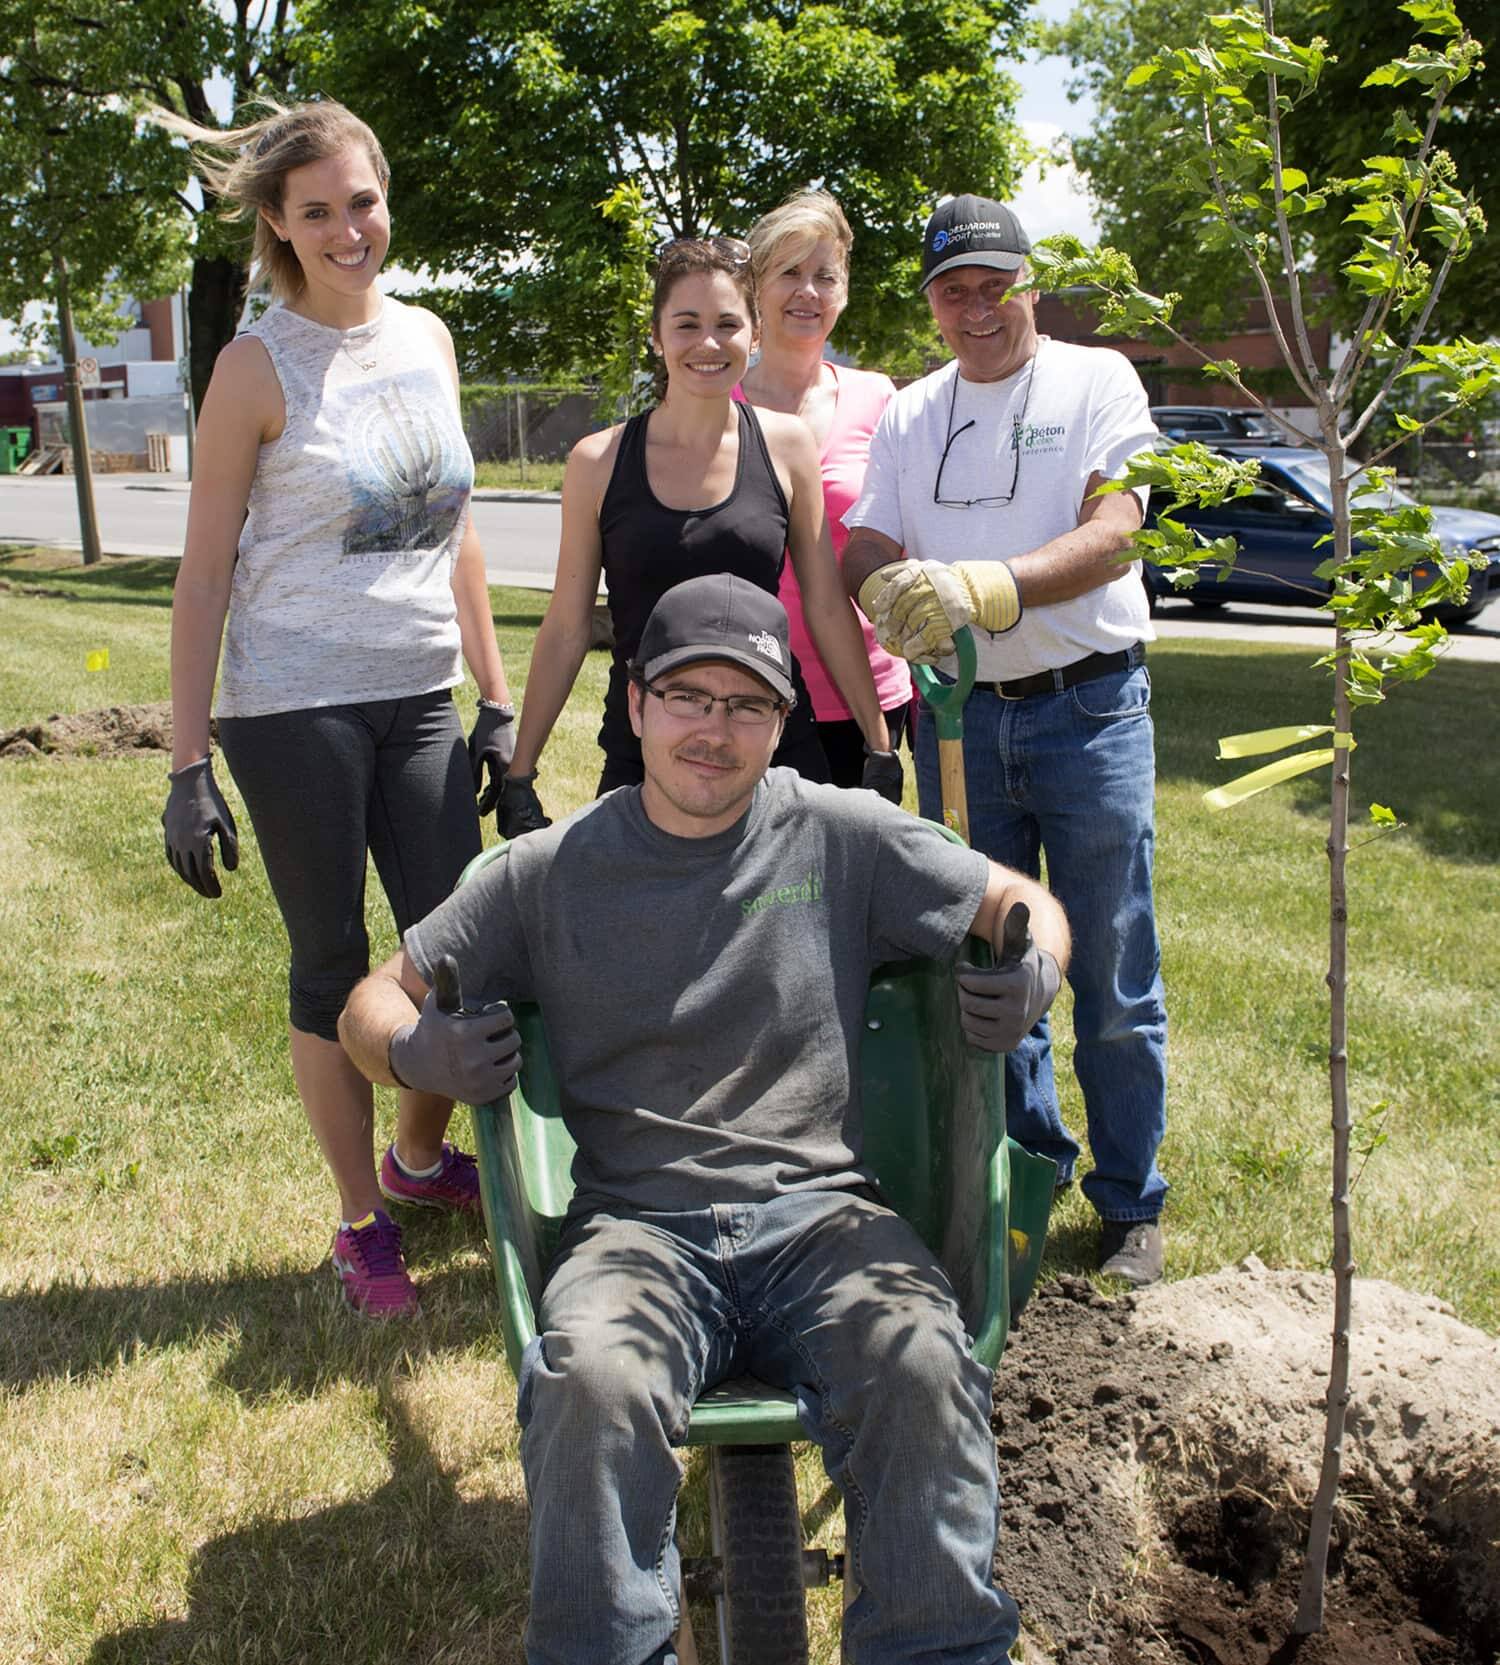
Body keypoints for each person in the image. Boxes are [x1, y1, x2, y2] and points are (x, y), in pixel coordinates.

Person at [339, 572, 1070, 1663]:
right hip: (637, 1229)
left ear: (783, 721)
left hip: (823, 1217)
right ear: (634, 704)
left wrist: (1038, 968)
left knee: (923, 1361)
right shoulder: (548, 871)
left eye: (748, 706)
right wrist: (410, 1048)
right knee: (589, 1379)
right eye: (689, 697)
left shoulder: (841, 835)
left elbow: (1019, 900)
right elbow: (368, 999)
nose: (714, 732)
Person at [159, 98, 516, 1319]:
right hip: (292, 702)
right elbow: (205, 572)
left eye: (360, 201)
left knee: (456, 951)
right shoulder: (255, 365)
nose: (347, 228)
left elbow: (457, 531)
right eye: (317, 212)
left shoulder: (428, 337)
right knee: (330, 967)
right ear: (278, 224)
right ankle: (362, 1220)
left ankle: (422, 1163)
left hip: (419, 692)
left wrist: (498, 698)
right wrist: (185, 760)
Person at [841, 194, 1169, 1287]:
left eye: (995, 285)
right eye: (952, 289)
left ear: (1031, 284)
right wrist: (886, 584)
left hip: (1089, 712)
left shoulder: (1096, 381)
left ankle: (1132, 1205)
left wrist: (991, 584)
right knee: (993, 956)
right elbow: (870, 537)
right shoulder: (911, 413)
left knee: (1113, 967)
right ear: (930, 301)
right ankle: (1028, 1177)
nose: (974, 308)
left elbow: (1120, 526)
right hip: (962, 723)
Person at [497, 235, 898, 835]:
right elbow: (566, 626)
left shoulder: (788, 448)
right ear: (656, 337)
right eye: (686, 325)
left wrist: (878, 744)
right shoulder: (597, 462)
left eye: (727, 324)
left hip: (767, 738)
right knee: (642, 922)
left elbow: (825, 605)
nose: (708, 344)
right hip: (646, 742)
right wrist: (520, 772)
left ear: (755, 336)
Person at [739, 190, 914, 788]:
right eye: (789, 272)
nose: (807, 292)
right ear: (756, 286)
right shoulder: (713, 405)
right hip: (745, 690)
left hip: (868, 697)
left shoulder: (880, 398)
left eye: (825, 275)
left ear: (843, 291)